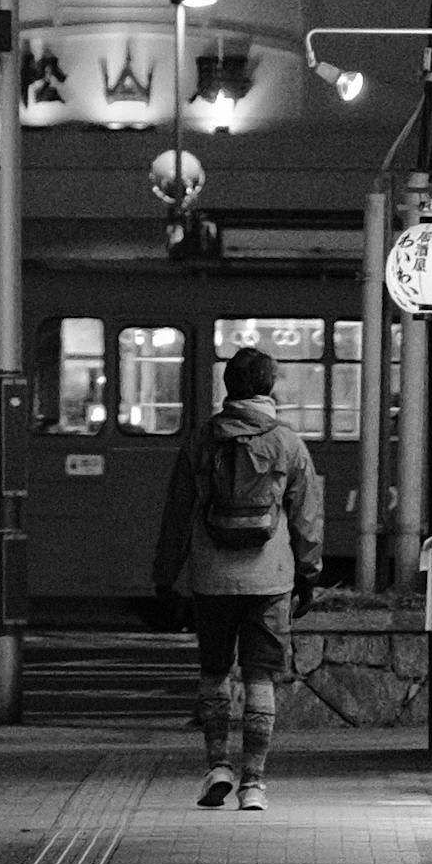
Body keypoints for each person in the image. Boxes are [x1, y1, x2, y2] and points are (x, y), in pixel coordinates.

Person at [148, 340, 326, 810]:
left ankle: (216, 768)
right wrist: (308, 575)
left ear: (228, 387)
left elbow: (177, 513)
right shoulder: (287, 442)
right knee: (260, 676)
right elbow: (307, 518)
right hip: (270, 581)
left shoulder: (202, 439)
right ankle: (254, 783)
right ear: (268, 387)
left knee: (214, 673)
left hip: (211, 579)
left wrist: (165, 575)